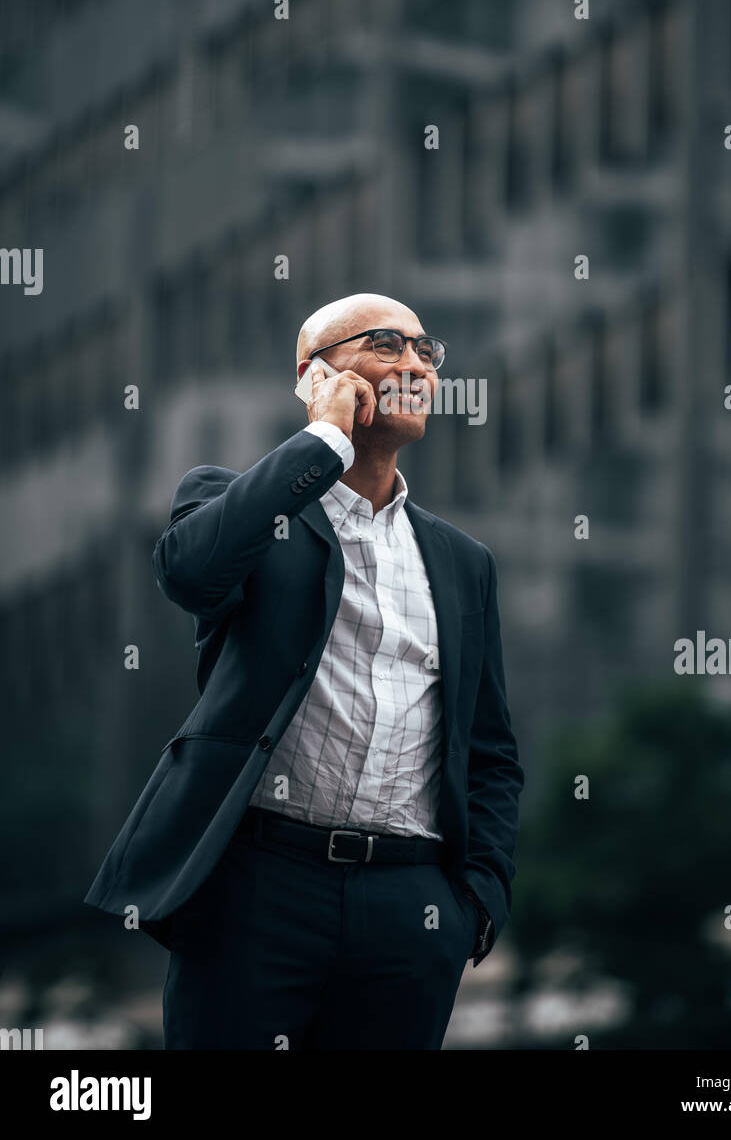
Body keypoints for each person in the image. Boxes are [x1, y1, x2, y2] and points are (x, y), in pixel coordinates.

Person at [84, 292, 524, 1050]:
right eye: (386, 344)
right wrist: (324, 439)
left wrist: (474, 903)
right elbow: (191, 574)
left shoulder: (463, 563)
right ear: (313, 376)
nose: (414, 365)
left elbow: (489, 753)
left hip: (410, 907)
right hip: (260, 888)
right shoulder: (236, 503)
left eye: (427, 351)